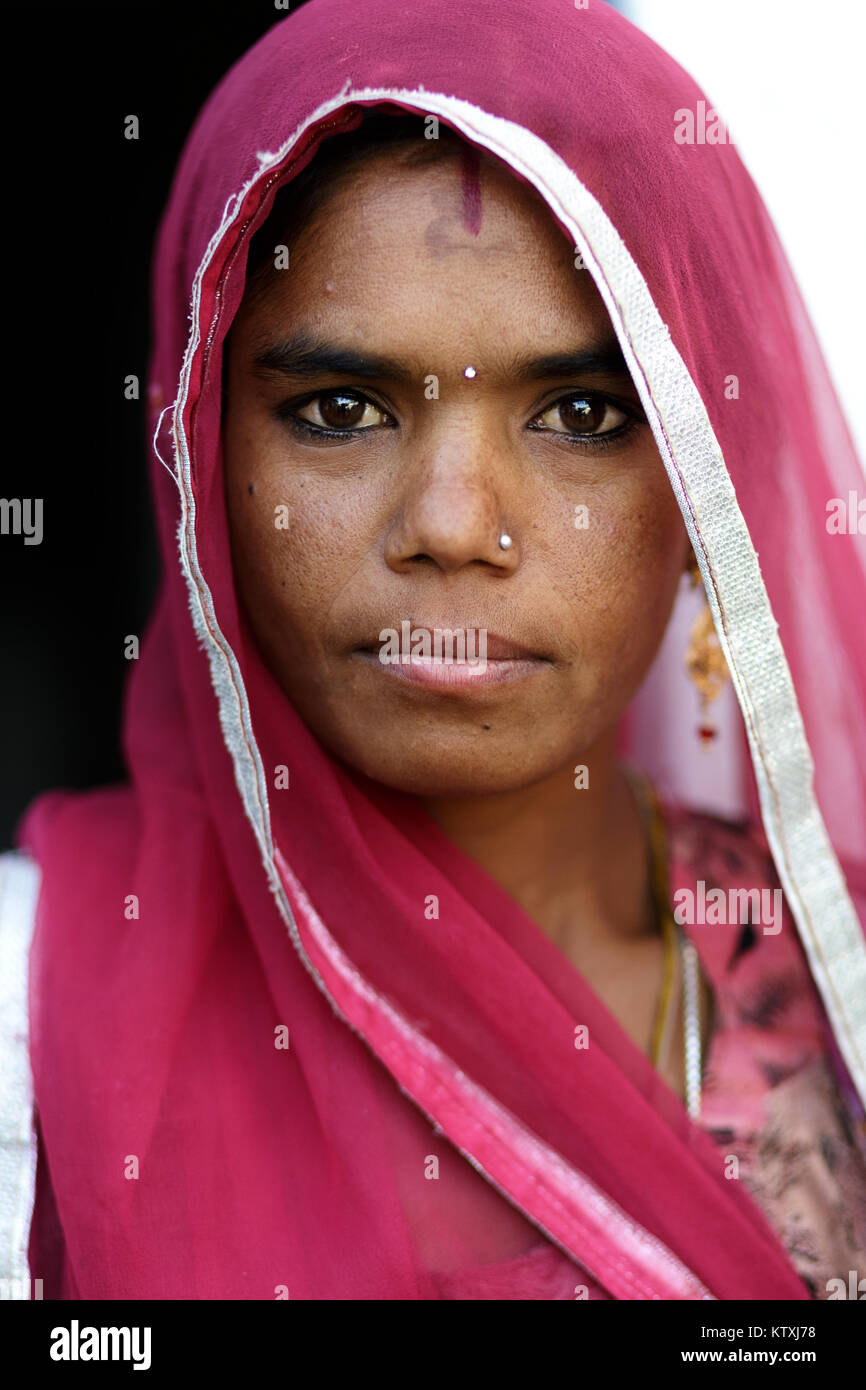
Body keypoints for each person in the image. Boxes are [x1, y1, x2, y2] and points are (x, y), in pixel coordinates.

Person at [2, 0, 864, 1300]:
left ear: (707, 490)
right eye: (339, 409)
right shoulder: (29, 1018)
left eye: (580, 412)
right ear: (197, 456)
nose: (452, 527)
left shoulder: (842, 979)